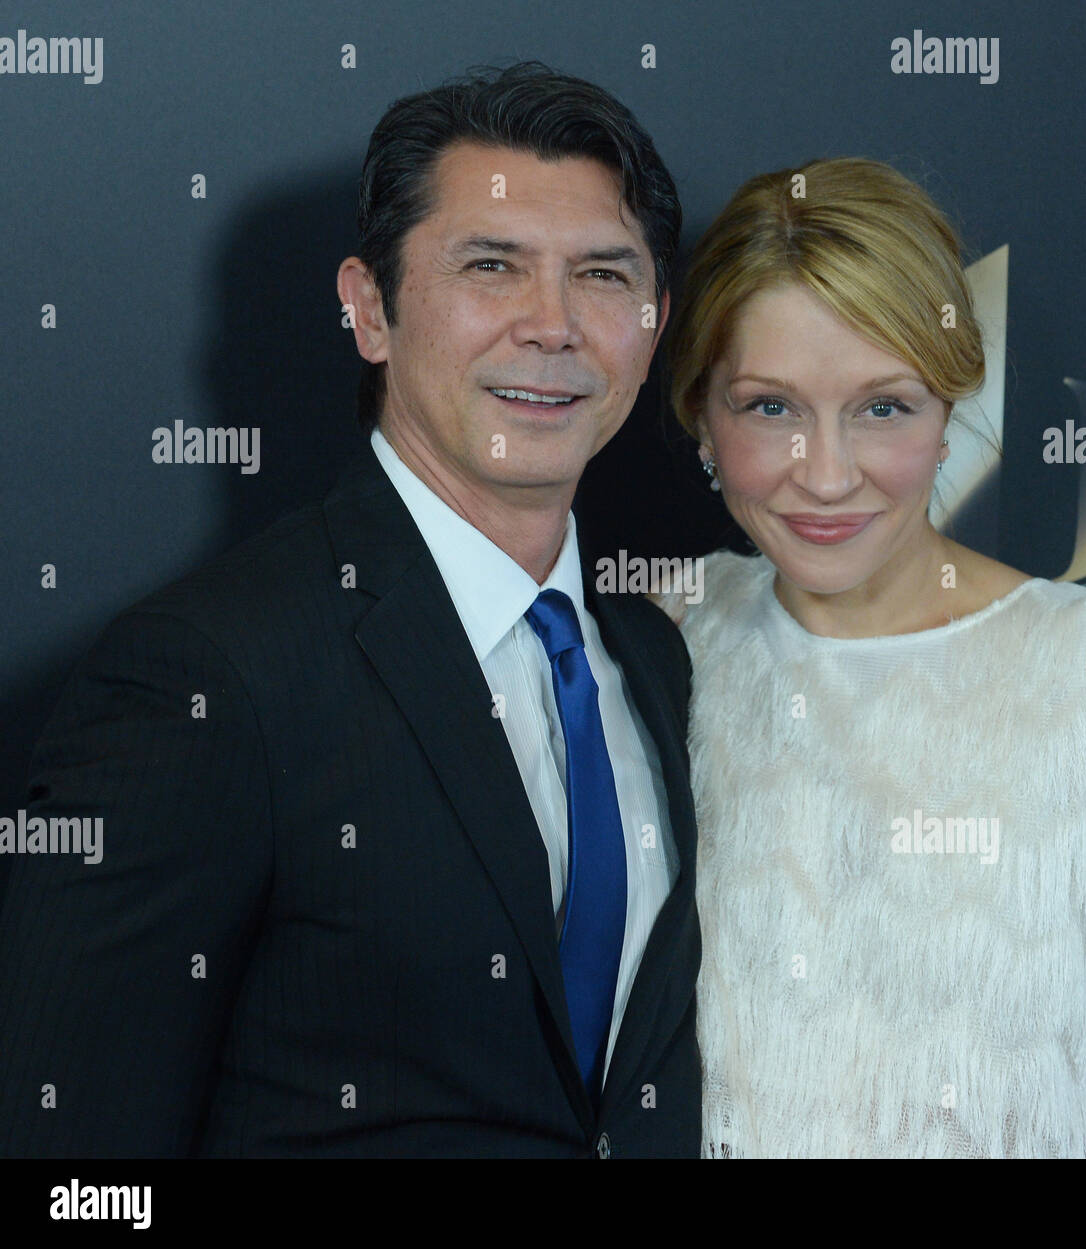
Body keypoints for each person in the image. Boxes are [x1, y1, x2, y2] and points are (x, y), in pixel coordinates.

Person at [0, 62, 701, 1158]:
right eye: (491, 265)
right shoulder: (207, 673)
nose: (553, 325)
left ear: (651, 329)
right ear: (369, 309)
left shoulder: (658, 663)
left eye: (604, 277)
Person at [656, 156, 1086, 1158]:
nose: (827, 475)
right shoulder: (655, 643)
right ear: (701, 415)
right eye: (769, 408)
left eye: (883, 407)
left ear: (950, 410)